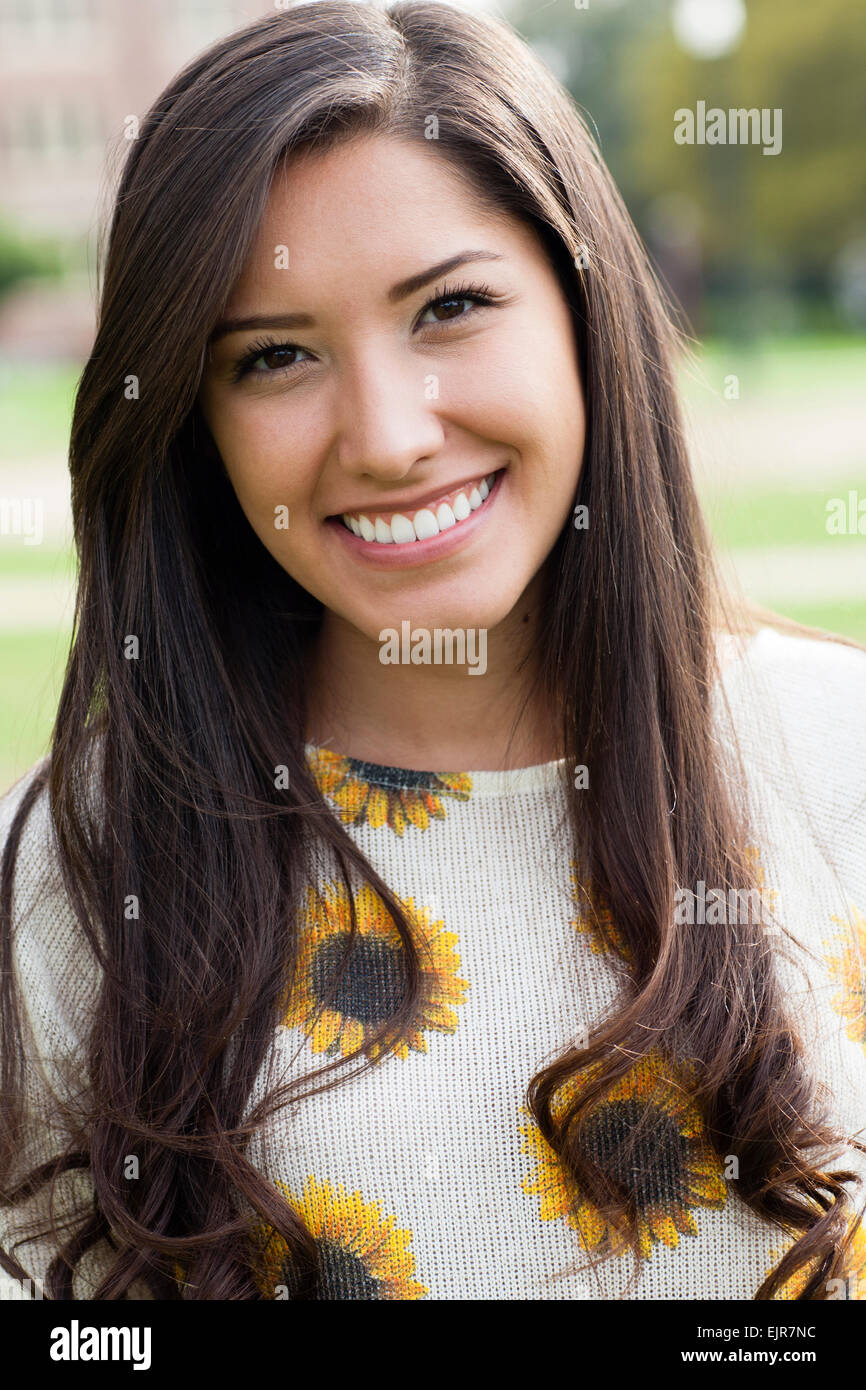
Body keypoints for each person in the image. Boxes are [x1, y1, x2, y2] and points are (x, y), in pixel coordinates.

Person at [1, 0, 864, 1301]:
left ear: (584, 316)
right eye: (275, 356)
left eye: (450, 306)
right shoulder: (81, 871)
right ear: (198, 427)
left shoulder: (840, 757)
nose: (389, 434)